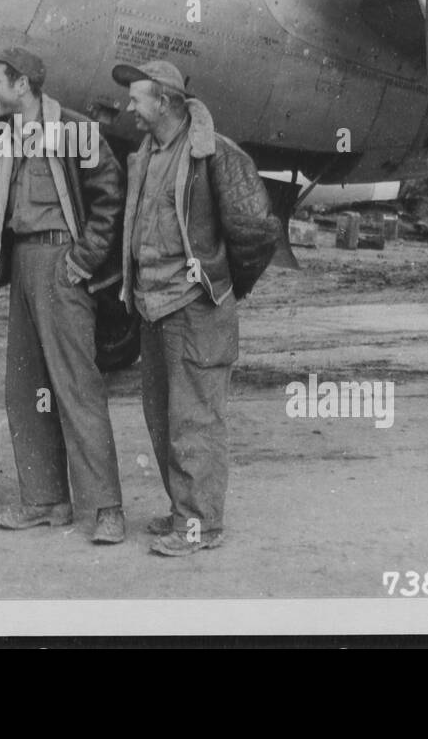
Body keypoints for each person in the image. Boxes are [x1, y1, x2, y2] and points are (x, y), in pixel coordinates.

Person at [113, 59, 278, 556]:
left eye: (136, 98)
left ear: (163, 101)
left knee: (195, 421)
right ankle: (184, 510)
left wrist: (219, 287)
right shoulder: (147, 152)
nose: (128, 106)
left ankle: (200, 525)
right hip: (152, 307)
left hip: (193, 308)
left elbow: (256, 230)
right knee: (164, 418)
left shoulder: (215, 153)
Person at [0, 47, 127, 544]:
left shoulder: (75, 129)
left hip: (60, 264)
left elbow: (111, 194)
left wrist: (83, 259)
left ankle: (107, 508)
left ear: (22, 85)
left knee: (76, 387)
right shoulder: (5, 136)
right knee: (23, 388)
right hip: (23, 264)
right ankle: (45, 501)